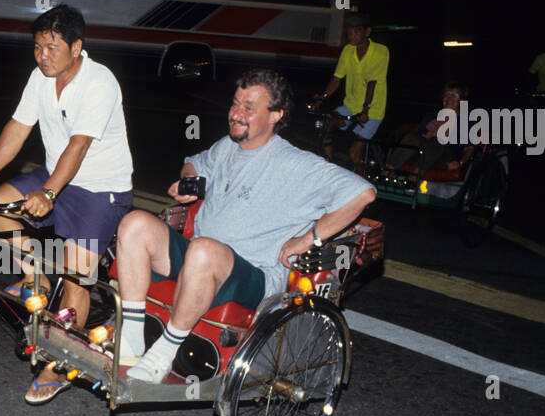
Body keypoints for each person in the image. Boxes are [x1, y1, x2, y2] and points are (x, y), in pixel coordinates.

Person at [115, 69, 376, 384]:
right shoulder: (227, 146)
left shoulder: (298, 165)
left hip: (253, 275)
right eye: (235, 104)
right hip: (200, 258)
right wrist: (190, 180)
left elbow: (363, 193)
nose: (236, 114)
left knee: (203, 250)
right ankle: (130, 339)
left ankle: (163, 353)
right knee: (134, 223)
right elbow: (195, 161)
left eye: (249, 108)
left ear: (275, 115)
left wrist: (308, 239)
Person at [0, 4, 134, 404]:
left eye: (52, 47)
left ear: (77, 47)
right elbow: (19, 127)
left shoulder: (100, 82)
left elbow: (79, 145)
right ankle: (36, 276)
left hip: (99, 188)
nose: (42, 55)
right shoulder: (40, 78)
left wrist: (50, 193)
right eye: (38, 47)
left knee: (77, 276)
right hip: (56, 174)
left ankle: (60, 364)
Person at [313, 13, 389, 168]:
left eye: (356, 31)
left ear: (367, 32)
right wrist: (321, 99)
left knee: (354, 154)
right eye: (349, 32)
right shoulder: (348, 50)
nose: (351, 35)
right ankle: (328, 167)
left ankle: (361, 185)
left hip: (373, 109)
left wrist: (365, 110)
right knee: (328, 125)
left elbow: (372, 83)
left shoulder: (381, 51)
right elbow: (336, 79)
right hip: (351, 105)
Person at [388, 82, 476, 173]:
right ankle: (387, 172)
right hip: (423, 153)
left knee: (437, 141)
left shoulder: (465, 122)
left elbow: (469, 149)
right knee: (411, 137)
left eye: (454, 95)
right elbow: (420, 137)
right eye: (446, 95)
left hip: (446, 157)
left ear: (461, 100)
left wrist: (460, 162)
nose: (449, 98)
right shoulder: (430, 117)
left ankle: (414, 179)